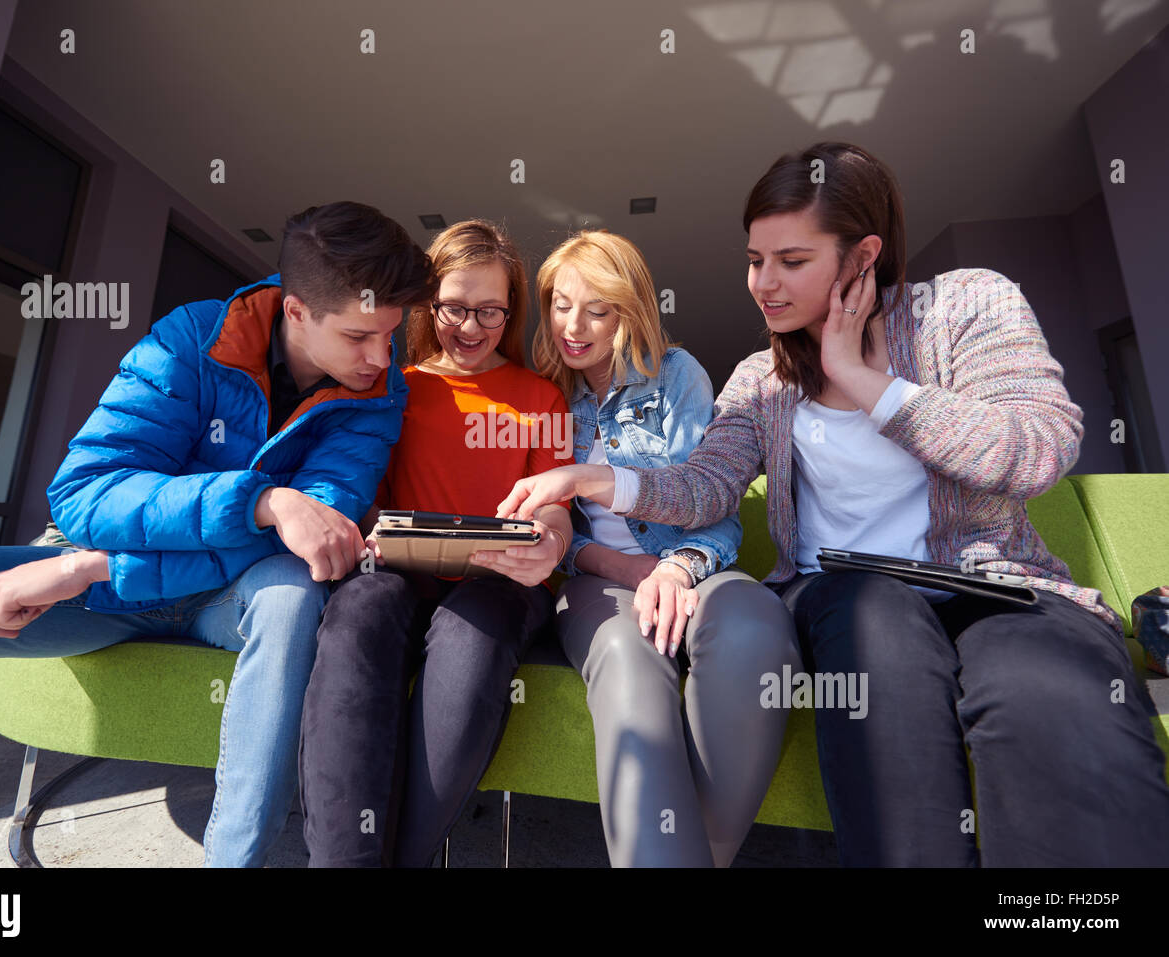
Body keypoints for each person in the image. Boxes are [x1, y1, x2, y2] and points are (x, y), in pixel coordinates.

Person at [499, 142, 1169, 867]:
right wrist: (592, 480)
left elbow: (1037, 448)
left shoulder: (966, 306)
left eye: (791, 260)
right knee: (879, 650)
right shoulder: (761, 378)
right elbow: (706, 487)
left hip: (995, 587)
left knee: (1051, 693)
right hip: (843, 592)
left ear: (863, 256)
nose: (763, 283)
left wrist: (860, 377)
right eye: (755, 260)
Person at [0, 201, 433, 867]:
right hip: (113, 588)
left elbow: (315, 538)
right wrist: (264, 501)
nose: (381, 358)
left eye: (390, 335)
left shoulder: (380, 394)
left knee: (291, 594)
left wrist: (94, 568)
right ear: (297, 311)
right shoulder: (188, 340)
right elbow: (85, 492)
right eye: (360, 336)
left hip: (182, 588)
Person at [300, 219, 573, 867]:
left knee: (470, 631)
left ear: (511, 309)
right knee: (358, 613)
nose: (471, 327)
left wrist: (550, 543)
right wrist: (368, 527)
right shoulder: (395, 386)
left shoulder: (541, 398)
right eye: (454, 307)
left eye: (490, 310)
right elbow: (365, 497)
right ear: (428, 305)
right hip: (401, 570)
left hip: (502, 583)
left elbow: (555, 506)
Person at [524, 229, 799, 866]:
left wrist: (674, 570)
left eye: (597, 310)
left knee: (754, 630)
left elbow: (713, 504)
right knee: (628, 652)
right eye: (561, 306)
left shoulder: (676, 375)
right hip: (596, 581)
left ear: (630, 311)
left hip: (696, 565)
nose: (573, 327)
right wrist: (627, 568)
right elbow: (553, 533)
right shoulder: (543, 395)